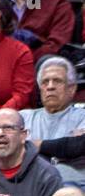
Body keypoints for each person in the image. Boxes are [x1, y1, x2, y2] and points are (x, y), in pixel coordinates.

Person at [24, 57, 85, 187]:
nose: (50, 87)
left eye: (57, 81)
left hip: (74, 189)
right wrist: (61, 148)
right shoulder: (23, 118)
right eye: (45, 82)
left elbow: (77, 147)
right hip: (30, 188)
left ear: (72, 88)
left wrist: (35, 145)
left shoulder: (82, 117)